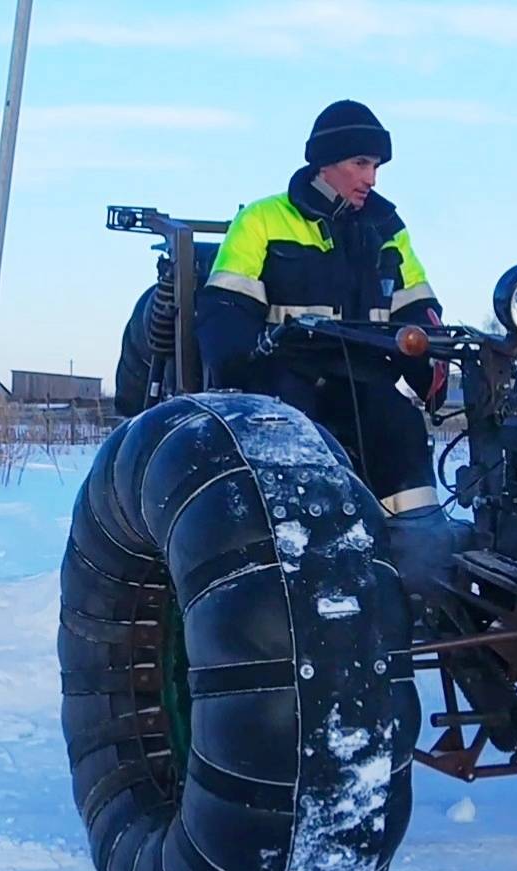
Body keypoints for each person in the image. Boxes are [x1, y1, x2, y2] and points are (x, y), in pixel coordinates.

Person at [196, 100, 457, 597]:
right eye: (361, 164)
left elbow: (417, 310)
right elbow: (224, 309)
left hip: (361, 379)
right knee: (299, 434)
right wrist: (239, 361)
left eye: (376, 166)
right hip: (283, 380)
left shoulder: (387, 230)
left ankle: (420, 575)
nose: (372, 180)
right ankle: (302, 573)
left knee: (397, 423)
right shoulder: (263, 221)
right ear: (325, 162)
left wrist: (432, 367)